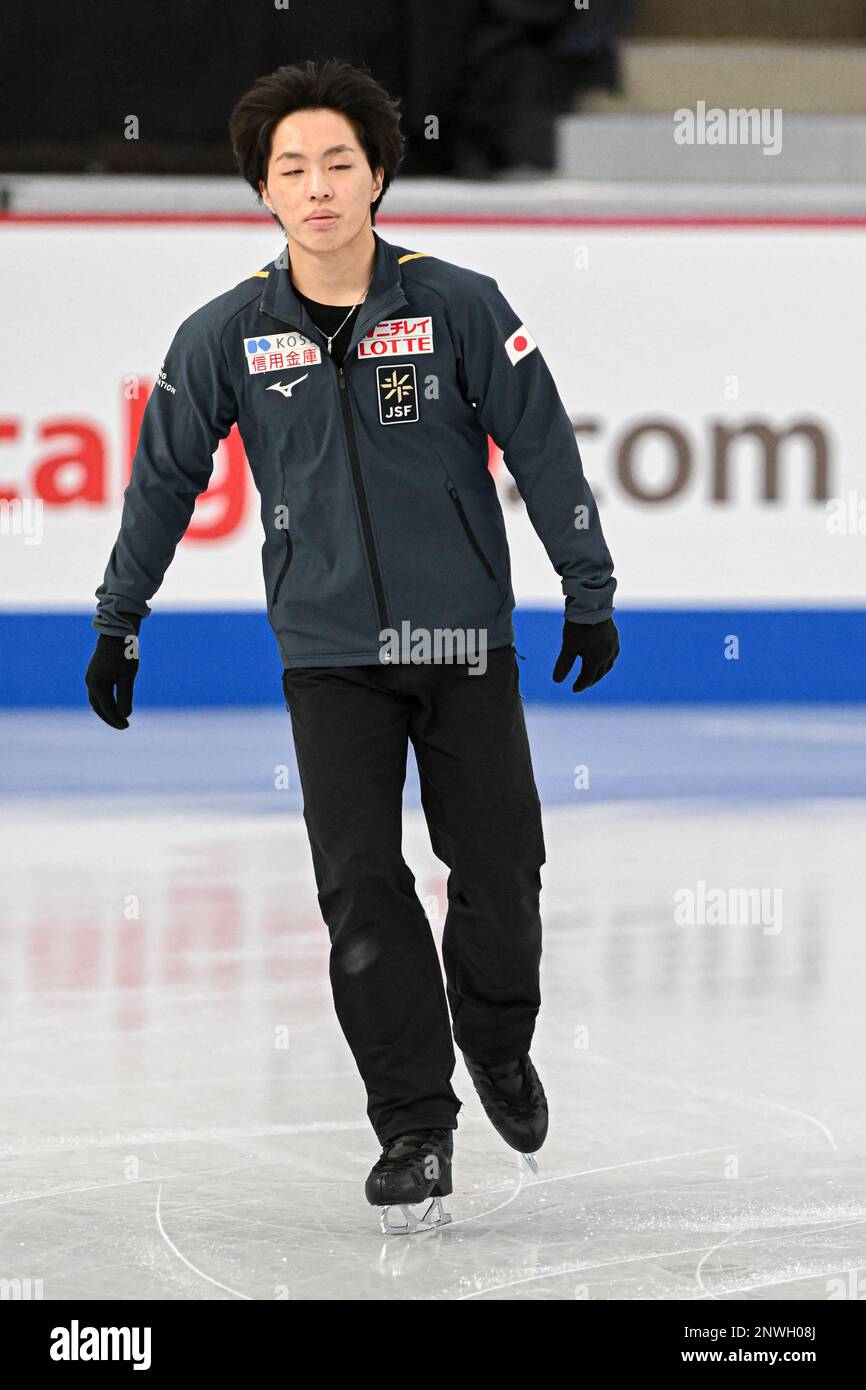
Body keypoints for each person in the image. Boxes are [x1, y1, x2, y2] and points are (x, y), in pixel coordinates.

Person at [85, 57, 620, 1234]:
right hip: (327, 655)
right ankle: (414, 1128)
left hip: (463, 641)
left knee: (500, 879)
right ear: (262, 194)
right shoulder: (226, 331)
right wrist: (119, 618)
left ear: (378, 174)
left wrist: (588, 587)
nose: (318, 186)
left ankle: (494, 1038)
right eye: (292, 169)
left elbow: (542, 447)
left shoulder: (460, 303)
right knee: (360, 894)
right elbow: (164, 481)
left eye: (338, 162)